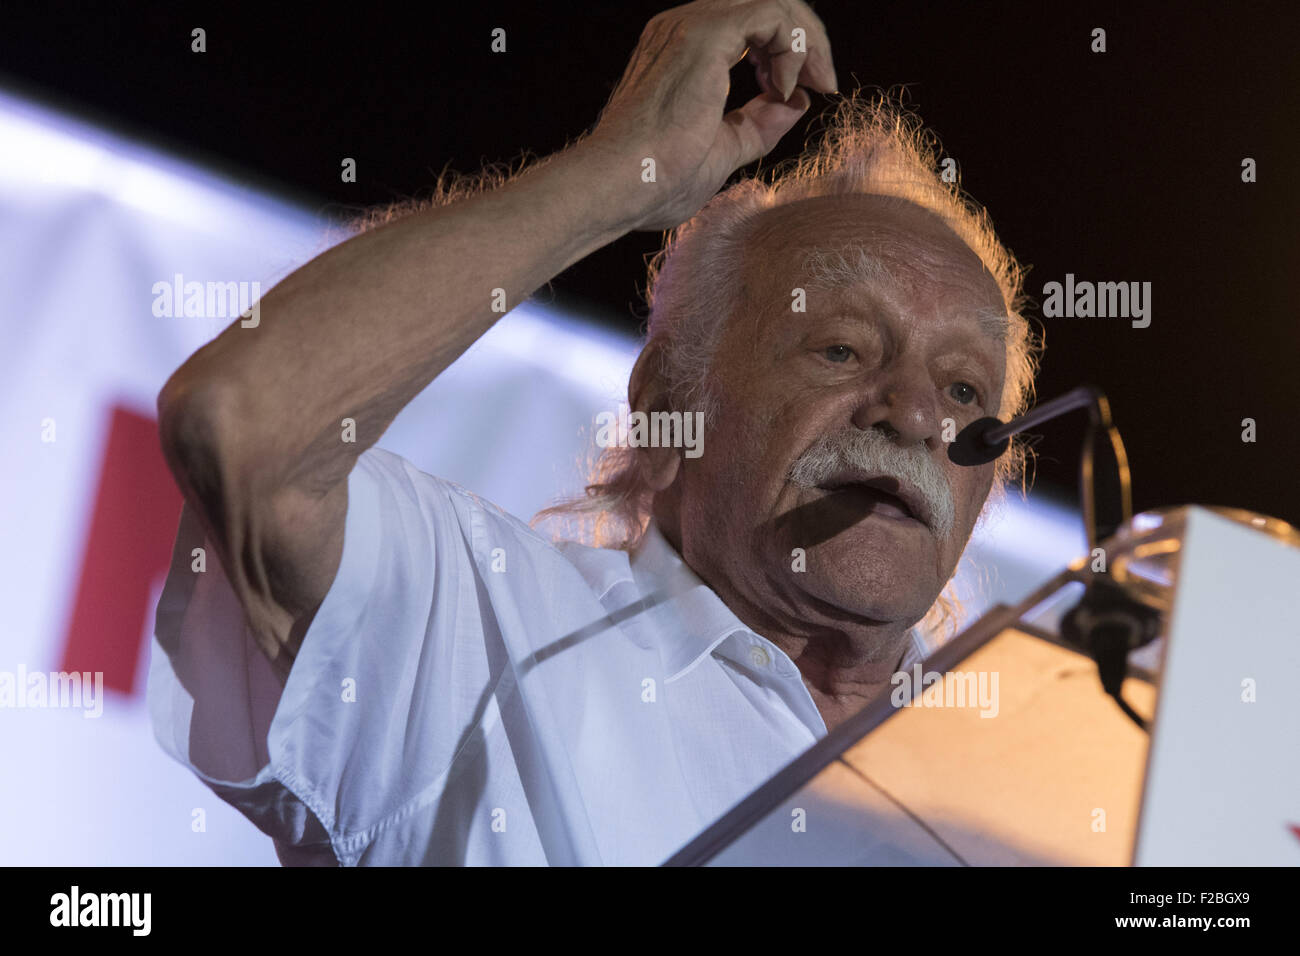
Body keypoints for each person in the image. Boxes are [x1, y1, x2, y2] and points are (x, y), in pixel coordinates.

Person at [150, 0, 1040, 865]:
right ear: (665, 410)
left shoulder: (1040, 792)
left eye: (965, 386)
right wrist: (624, 173)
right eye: (841, 349)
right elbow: (245, 422)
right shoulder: (480, 631)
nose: (919, 416)